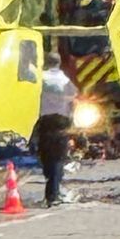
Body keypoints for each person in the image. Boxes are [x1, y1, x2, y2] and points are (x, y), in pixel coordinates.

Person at [34, 51, 78, 207]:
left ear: (45, 62)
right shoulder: (65, 80)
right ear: (58, 63)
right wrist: (71, 120)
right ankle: (53, 193)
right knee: (58, 159)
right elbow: (73, 101)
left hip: (43, 121)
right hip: (61, 122)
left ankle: (51, 191)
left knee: (46, 157)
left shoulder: (40, 78)